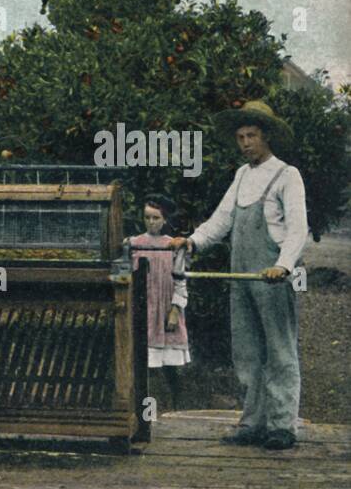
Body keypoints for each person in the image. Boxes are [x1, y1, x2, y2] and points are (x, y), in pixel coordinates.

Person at [168, 101, 307, 450]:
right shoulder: (242, 175)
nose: (245, 143)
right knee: (247, 352)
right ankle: (253, 423)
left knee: (279, 350)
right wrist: (192, 241)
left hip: (271, 276)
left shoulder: (286, 175)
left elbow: (298, 229)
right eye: (241, 137)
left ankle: (282, 425)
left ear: (266, 136)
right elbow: (221, 219)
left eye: (252, 136)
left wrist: (284, 266)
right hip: (241, 277)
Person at [127, 194, 190, 406]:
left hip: (165, 308)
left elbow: (180, 281)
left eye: (156, 218)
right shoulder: (134, 244)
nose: (151, 222)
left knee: (170, 366)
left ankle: (176, 407)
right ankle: (146, 410)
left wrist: (175, 310)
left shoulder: (173, 245)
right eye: (147, 217)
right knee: (144, 364)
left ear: (164, 220)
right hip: (143, 308)